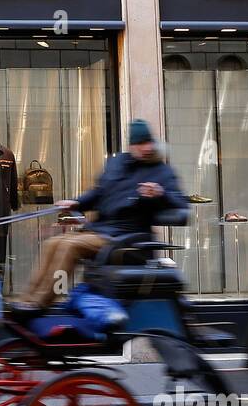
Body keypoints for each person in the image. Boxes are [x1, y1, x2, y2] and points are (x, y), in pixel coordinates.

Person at [16, 119, 188, 310]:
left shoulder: (162, 172)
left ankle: (41, 303)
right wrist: (77, 202)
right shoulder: (117, 163)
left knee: (69, 246)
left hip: (125, 237)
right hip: (100, 230)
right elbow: (99, 192)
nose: (145, 147)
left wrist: (159, 193)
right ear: (131, 145)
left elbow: (180, 204)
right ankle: (26, 299)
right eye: (140, 143)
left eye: (148, 142)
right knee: (52, 243)